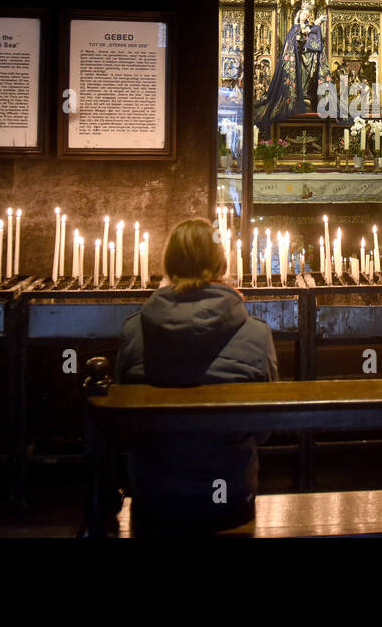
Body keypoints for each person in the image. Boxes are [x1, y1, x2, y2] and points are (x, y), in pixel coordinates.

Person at [115, 218, 278, 534]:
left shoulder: (134, 330)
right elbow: (264, 428)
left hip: (154, 499)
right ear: (221, 263)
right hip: (228, 502)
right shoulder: (256, 334)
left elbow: (124, 427)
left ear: (169, 263)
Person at [254, 0, 332, 130]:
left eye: (307, 15)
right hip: (297, 60)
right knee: (298, 77)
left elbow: (314, 41)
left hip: (308, 59)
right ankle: (297, 98)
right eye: (303, 14)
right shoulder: (294, 28)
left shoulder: (310, 27)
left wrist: (316, 25)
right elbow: (292, 41)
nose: (305, 16)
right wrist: (302, 35)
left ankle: (306, 96)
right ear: (299, 14)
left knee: (307, 78)